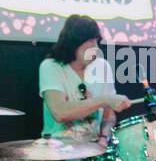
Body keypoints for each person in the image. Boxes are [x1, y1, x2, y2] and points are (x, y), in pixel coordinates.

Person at [38, 14, 131, 143]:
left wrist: (104, 138)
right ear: (73, 44)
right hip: (57, 149)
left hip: (91, 150)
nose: (96, 49)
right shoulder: (51, 66)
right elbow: (59, 112)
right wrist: (104, 99)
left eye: (97, 43)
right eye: (90, 44)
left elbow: (108, 115)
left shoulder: (102, 67)